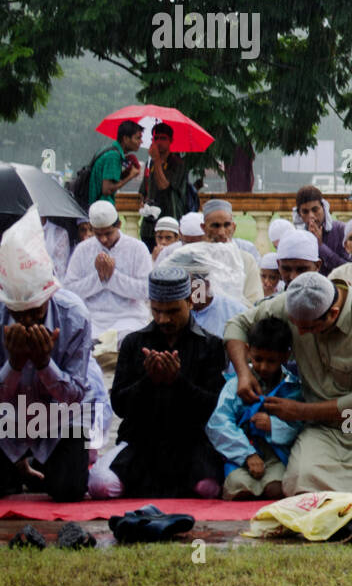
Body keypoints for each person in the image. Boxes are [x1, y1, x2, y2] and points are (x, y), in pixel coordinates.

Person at [224, 272, 352, 496]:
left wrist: (300, 411)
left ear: (333, 313)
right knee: (299, 483)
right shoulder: (290, 304)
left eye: (309, 328)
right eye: (295, 325)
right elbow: (236, 325)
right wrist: (243, 373)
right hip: (325, 429)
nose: (300, 333)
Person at [88, 267, 227, 498]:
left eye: (172, 311)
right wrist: (149, 381)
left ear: (190, 302)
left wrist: (178, 381)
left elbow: (215, 407)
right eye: (157, 311)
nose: (163, 319)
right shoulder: (134, 343)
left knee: (208, 488)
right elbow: (120, 406)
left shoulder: (210, 345)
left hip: (190, 444)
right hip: (140, 442)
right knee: (100, 485)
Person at [0, 211, 98, 501]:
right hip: (6, 419)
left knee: (69, 490)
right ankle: (16, 469)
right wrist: (14, 366)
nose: (28, 322)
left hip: (59, 419)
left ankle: (40, 468)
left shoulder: (74, 315)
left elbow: (77, 395)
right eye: (19, 314)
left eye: (36, 312)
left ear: (49, 297)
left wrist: (45, 365)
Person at [205, 317, 303, 499]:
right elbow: (218, 423)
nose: (263, 367)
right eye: (258, 359)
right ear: (248, 351)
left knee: (276, 489)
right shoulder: (235, 384)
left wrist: (273, 426)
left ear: (285, 356)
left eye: (271, 361)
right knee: (240, 490)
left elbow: (300, 426)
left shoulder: (293, 388)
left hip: (276, 455)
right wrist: (247, 455)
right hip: (240, 453)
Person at [62, 201, 151, 374]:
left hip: (128, 317)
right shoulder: (83, 250)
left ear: (118, 225)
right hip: (92, 317)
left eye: (108, 233)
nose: (103, 239)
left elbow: (146, 291)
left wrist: (112, 277)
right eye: (98, 234)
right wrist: (99, 278)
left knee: (130, 342)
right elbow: (69, 291)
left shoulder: (137, 249)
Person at [167, 244, 248, 373]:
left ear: (206, 283)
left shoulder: (236, 312)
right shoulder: (173, 313)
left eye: (190, 286)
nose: (185, 293)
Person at [137, 122, 189, 249]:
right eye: (156, 138)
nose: (159, 142)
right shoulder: (150, 164)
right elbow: (143, 191)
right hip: (149, 226)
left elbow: (164, 185)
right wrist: (143, 202)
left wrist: (157, 160)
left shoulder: (177, 163)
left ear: (171, 140)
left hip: (170, 220)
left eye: (163, 138)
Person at [87, 120, 143, 208]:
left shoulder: (109, 150)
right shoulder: (114, 156)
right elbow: (107, 189)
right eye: (138, 138)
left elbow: (111, 181)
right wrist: (130, 176)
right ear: (126, 139)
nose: (141, 142)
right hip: (101, 208)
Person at [293, 186, 348, 271]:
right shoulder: (298, 238)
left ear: (323, 208)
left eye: (315, 210)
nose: (311, 216)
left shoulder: (341, 230)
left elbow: (348, 269)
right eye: (305, 212)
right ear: (299, 214)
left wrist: (320, 246)